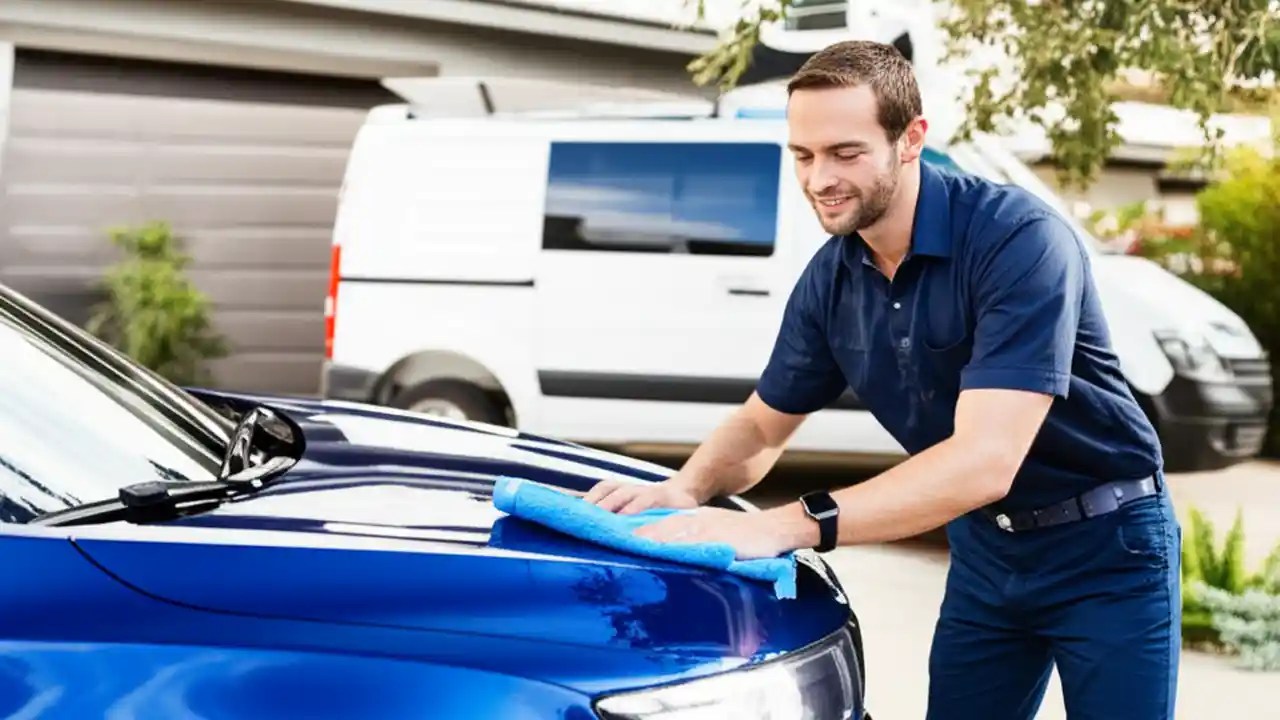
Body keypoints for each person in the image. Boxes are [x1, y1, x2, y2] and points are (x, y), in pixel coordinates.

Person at [584, 40, 1181, 720]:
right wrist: (684, 486)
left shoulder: (1018, 240)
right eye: (802, 156)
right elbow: (760, 425)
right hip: (988, 552)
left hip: (1108, 547)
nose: (818, 179)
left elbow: (985, 461)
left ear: (911, 139)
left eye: (845, 153)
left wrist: (786, 526)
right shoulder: (832, 279)